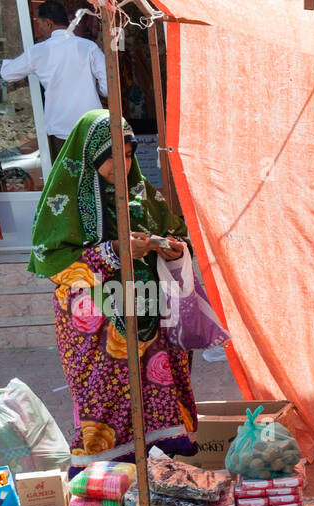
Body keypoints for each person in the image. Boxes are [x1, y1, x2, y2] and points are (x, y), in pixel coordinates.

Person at [29, 109, 196, 472]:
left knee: (157, 390)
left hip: (149, 312)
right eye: (114, 155)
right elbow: (52, 263)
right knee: (102, 395)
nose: (123, 163)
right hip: (97, 325)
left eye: (129, 154)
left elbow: (177, 234)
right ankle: (103, 482)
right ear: (91, 154)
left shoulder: (142, 194)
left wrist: (173, 249)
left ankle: (159, 476)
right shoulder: (64, 201)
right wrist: (114, 251)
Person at [0, 2, 107, 159]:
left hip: (61, 129)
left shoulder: (38, 52)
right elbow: (108, 88)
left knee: (67, 172)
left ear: (48, 23)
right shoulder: (88, 47)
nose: (38, 28)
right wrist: (93, 89)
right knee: (96, 172)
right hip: (92, 127)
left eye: (38, 23)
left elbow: (7, 74)